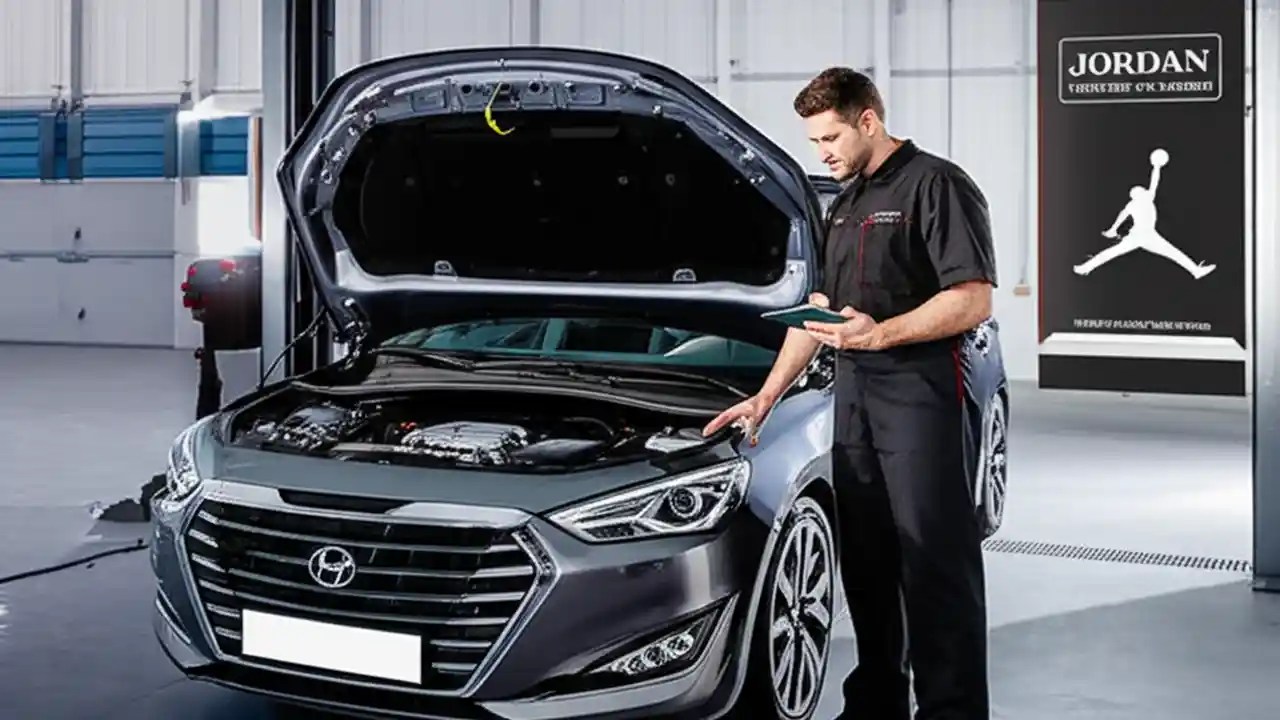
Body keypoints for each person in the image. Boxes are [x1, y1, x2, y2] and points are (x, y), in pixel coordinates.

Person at [703, 67, 998, 719]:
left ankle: (952, 710)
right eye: (814, 142)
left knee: (935, 566)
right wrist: (766, 396)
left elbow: (972, 299)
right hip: (856, 403)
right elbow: (820, 312)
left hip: (922, 401)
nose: (823, 153)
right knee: (867, 565)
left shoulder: (936, 185)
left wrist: (881, 334)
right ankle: (877, 704)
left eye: (831, 137)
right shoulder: (844, 203)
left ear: (869, 120)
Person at [1073, 147, 1216, 279]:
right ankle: (1085, 267)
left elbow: (1153, 182)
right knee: (1172, 253)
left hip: (1146, 235)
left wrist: (1157, 167)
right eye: (1137, 190)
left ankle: (1196, 271)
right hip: (1141, 234)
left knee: (1171, 253)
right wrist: (1113, 229)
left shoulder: (1144, 198)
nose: (1141, 190)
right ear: (1134, 195)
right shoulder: (1139, 201)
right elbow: (1124, 213)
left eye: (1140, 189)